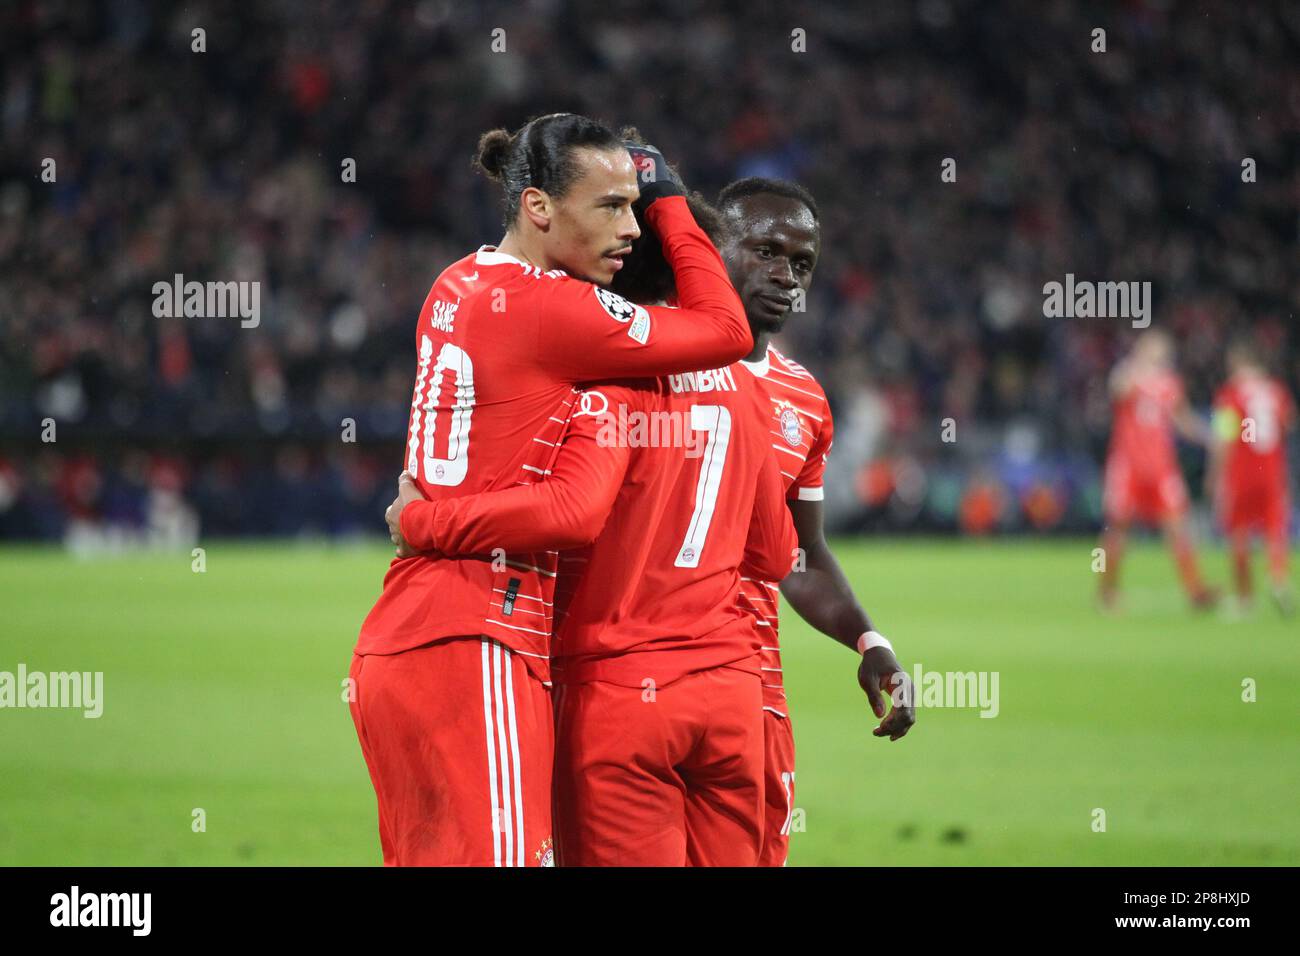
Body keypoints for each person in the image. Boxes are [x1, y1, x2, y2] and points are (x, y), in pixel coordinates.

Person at [349, 113, 752, 866]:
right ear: (538, 207)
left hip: (398, 645)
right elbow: (726, 330)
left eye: (635, 206)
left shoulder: (454, 283)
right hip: (479, 639)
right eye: (611, 206)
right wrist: (669, 198)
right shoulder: (553, 309)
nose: (629, 226)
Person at [715, 178, 915, 867]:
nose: (786, 275)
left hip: (749, 683)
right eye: (766, 250)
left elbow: (802, 555)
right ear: (713, 247)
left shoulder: (803, 398)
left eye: (802, 264)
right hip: (632, 674)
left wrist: (869, 640)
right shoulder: (642, 363)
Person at [1097, 331, 1218, 610]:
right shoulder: (1129, 376)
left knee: (1178, 528)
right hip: (1128, 466)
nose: (1159, 355)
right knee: (1115, 530)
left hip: (1162, 468)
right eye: (1153, 349)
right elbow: (1115, 389)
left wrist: (1208, 437)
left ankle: (1195, 591)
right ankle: (1106, 590)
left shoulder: (1171, 384)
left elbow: (1182, 420)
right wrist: (1134, 368)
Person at [1208, 338, 1296, 615]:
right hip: (1271, 472)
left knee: (1239, 533)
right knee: (1274, 529)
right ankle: (1278, 577)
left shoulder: (1230, 394)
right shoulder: (1277, 391)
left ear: (1237, 363)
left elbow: (1224, 438)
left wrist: (1214, 475)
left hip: (1242, 473)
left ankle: (1245, 599)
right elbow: (1288, 425)